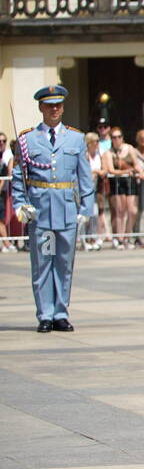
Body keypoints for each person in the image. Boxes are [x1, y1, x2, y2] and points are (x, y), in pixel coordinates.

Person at [10, 84, 95, 332]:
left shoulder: (76, 138)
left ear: (63, 107)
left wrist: (86, 209)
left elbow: (85, 178)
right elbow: (19, 178)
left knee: (64, 264)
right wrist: (20, 205)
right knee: (43, 263)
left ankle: (61, 313)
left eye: (58, 105)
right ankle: (45, 314)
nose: (54, 109)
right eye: (49, 105)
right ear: (41, 108)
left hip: (67, 212)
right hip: (42, 213)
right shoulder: (27, 140)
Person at [104, 127, 143, 248]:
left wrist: (140, 172)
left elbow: (136, 164)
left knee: (132, 210)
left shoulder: (129, 148)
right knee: (119, 212)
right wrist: (126, 172)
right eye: (114, 137)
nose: (117, 139)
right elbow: (110, 170)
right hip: (117, 183)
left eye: (119, 136)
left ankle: (127, 237)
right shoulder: (108, 153)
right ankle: (119, 238)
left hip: (130, 182)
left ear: (122, 137)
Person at [82, 132, 106, 250]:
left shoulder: (99, 154)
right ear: (89, 143)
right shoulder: (84, 155)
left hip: (96, 188)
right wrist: (95, 171)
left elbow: (104, 169)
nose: (97, 143)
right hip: (85, 189)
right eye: (95, 141)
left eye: (98, 141)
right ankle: (84, 239)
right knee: (85, 215)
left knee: (95, 213)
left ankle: (93, 238)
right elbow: (83, 171)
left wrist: (97, 171)